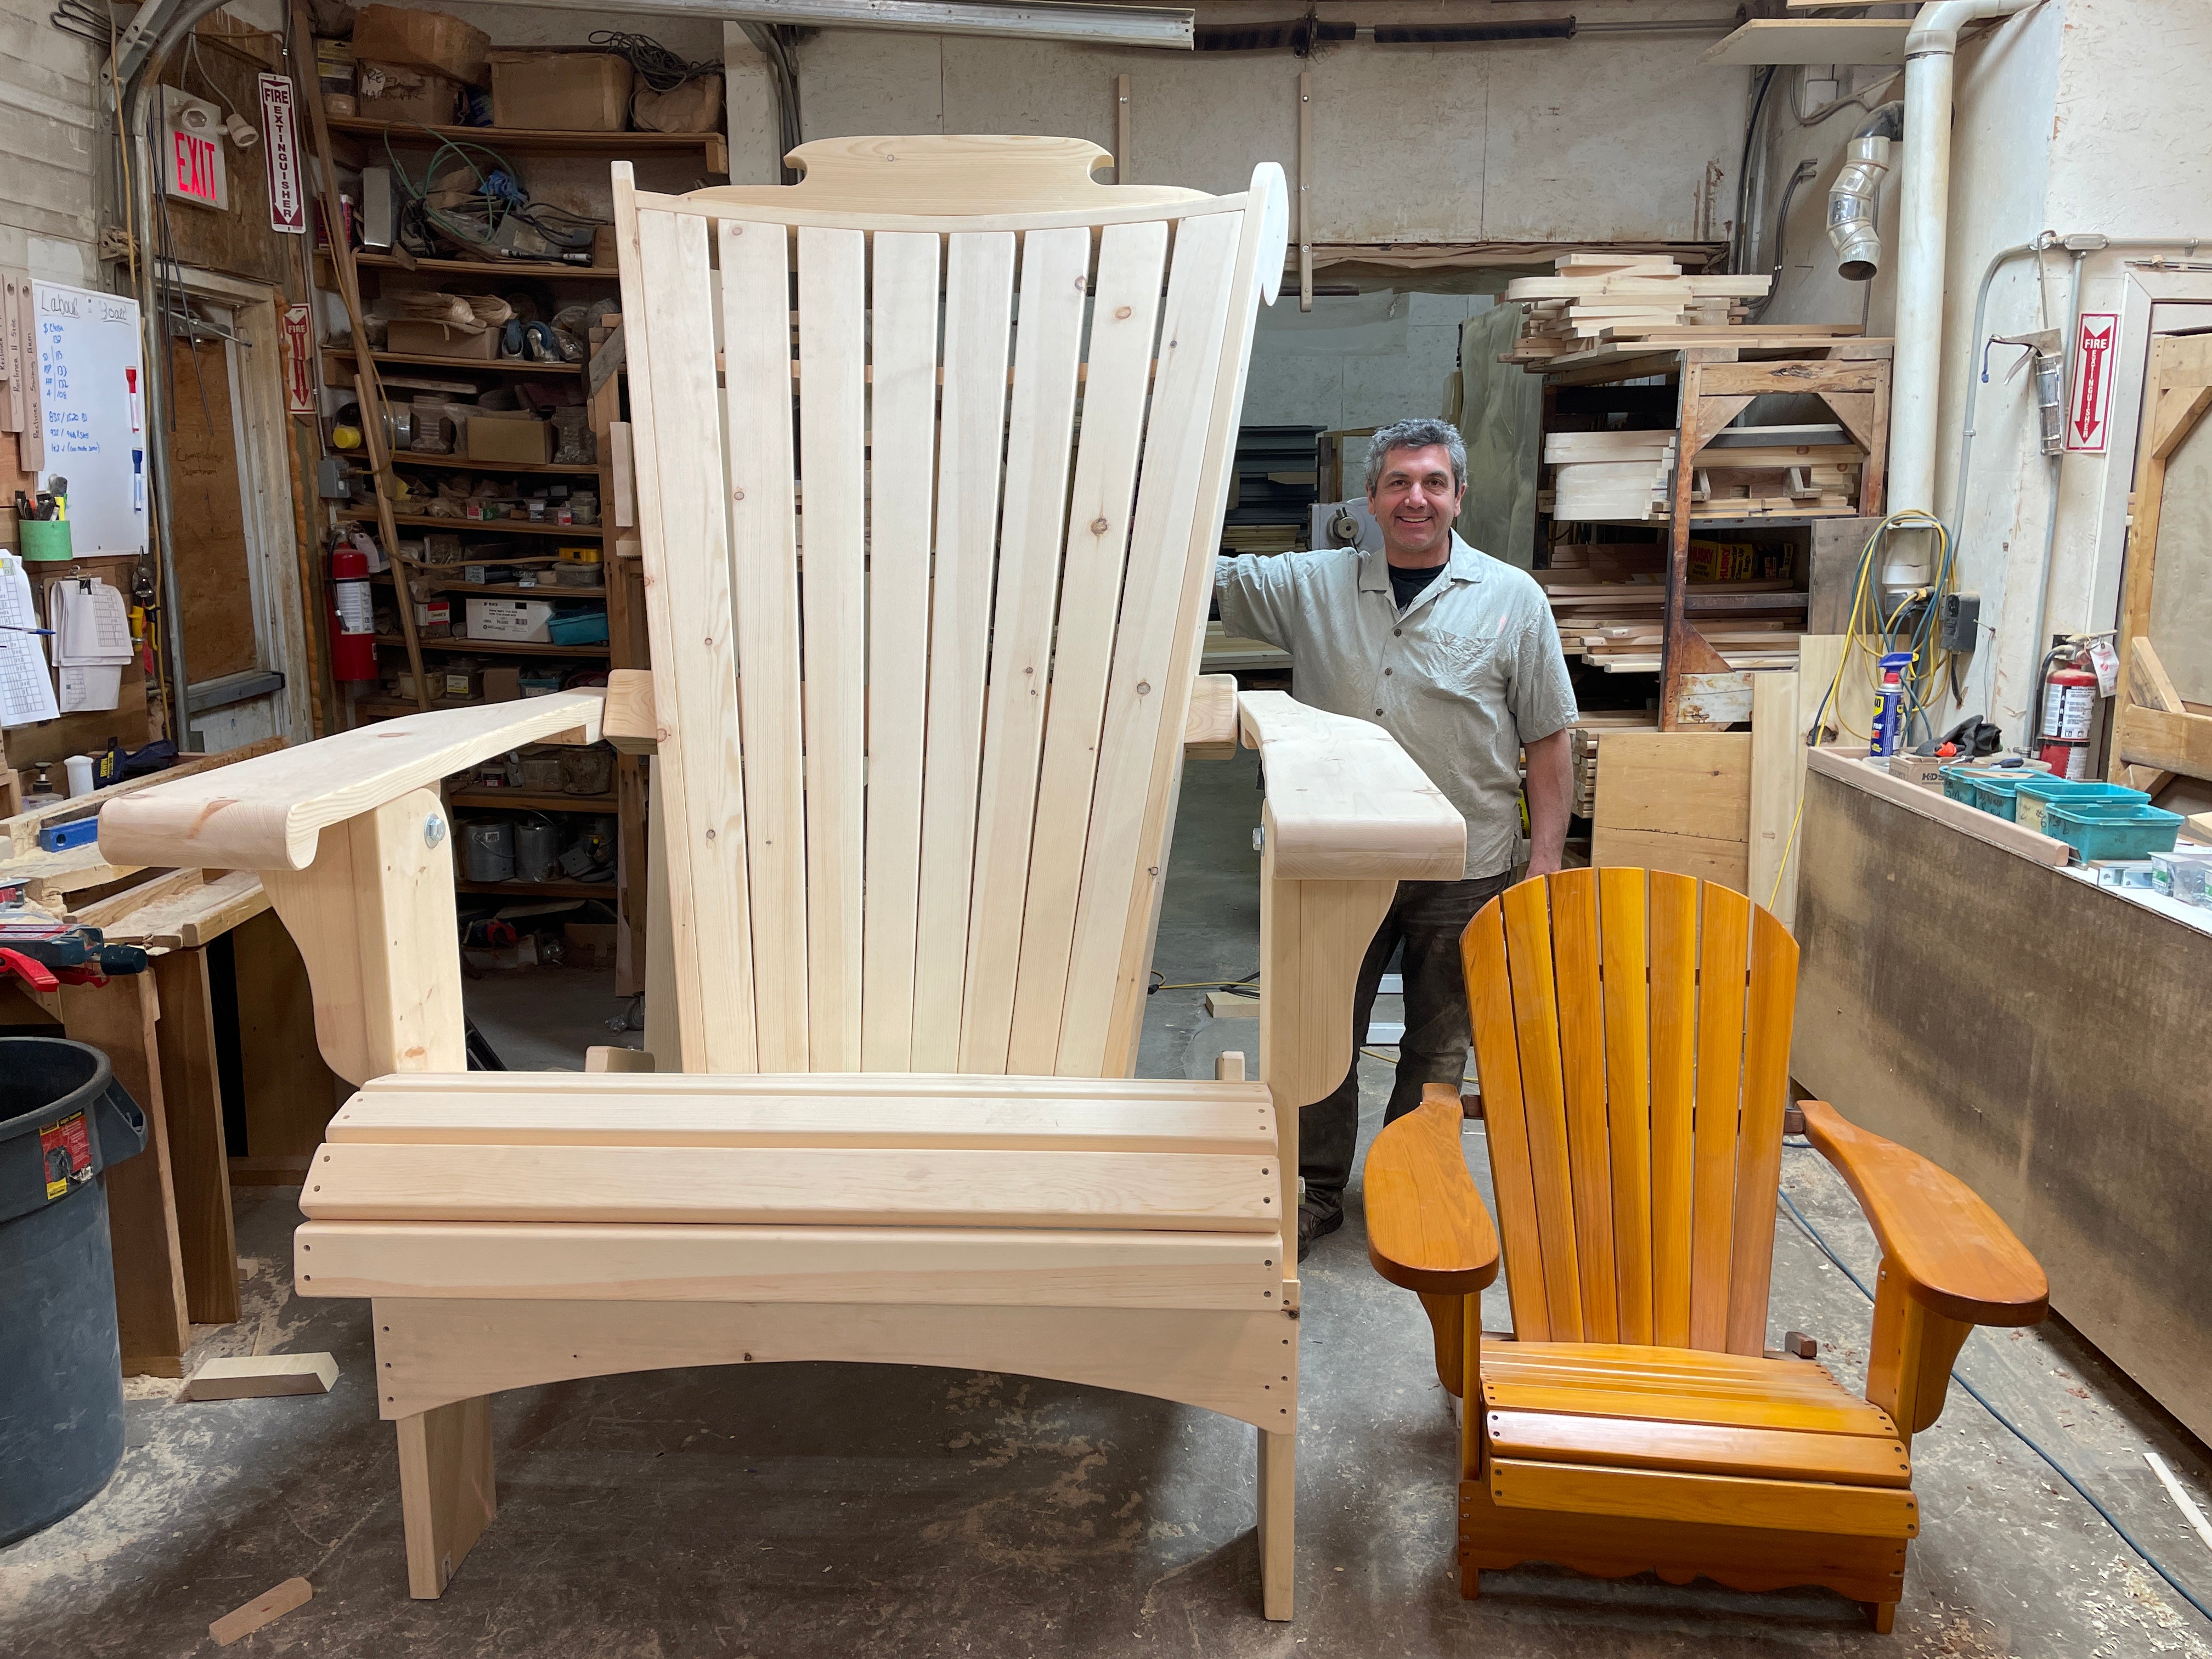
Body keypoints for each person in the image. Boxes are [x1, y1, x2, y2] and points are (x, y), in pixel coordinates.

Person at [1214, 416, 1577, 1260]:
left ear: (1458, 496)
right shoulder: (1313, 584)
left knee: (1439, 1040)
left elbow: (1548, 739)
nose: (1417, 499)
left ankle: (1408, 1180)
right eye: (1399, 484)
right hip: (1339, 856)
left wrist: (1543, 864)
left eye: (1433, 483)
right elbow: (1199, 573)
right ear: (1371, 500)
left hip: (1467, 862)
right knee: (1321, 1028)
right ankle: (1314, 1188)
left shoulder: (1513, 599)